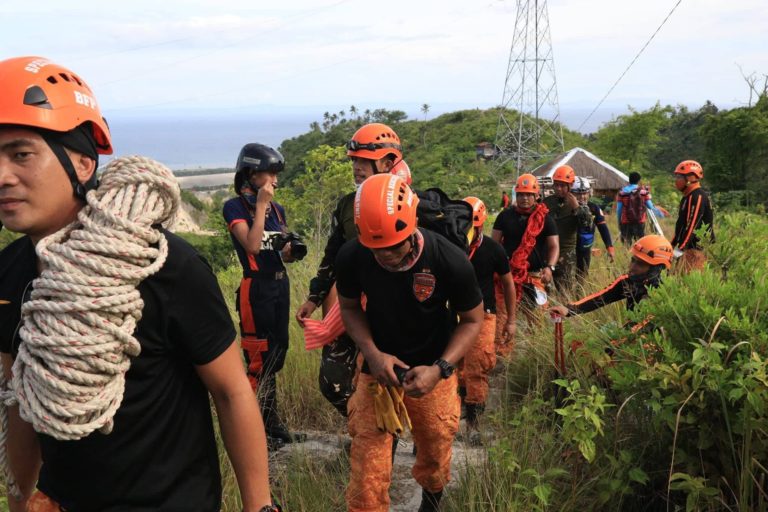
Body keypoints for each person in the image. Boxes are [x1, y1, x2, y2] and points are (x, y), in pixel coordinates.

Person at [0, 56, 276, 512]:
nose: (2, 176)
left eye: (21, 153)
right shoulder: (11, 273)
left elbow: (231, 391)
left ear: (84, 163)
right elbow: (20, 399)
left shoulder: (164, 267)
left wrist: (260, 506)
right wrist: (19, 500)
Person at [336, 173, 483, 512]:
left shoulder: (448, 259)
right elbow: (348, 307)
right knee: (367, 471)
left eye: (393, 247)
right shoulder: (352, 256)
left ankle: (431, 503)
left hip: (433, 369)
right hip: (378, 372)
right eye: (376, 248)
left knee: (434, 449)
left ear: (410, 228)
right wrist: (372, 354)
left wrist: (441, 368)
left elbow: (473, 320)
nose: (385, 256)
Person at [295, 122, 403, 416]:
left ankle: (379, 443)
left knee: (391, 379)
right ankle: (364, 428)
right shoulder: (347, 206)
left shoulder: (408, 202)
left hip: (397, 309)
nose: (356, 166)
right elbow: (333, 255)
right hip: (351, 305)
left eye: (364, 161)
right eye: (354, 160)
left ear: (389, 161)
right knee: (333, 382)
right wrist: (314, 297)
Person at [223, 143, 306, 448]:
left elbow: (276, 250)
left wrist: (289, 251)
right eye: (270, 173)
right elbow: (252, 245)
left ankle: (271, 424)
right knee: (258, 361)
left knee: (276, 356)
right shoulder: (234, 207)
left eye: (276, 174)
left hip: (279, 286)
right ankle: (251, 432)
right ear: (251, 173)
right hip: (256, 288)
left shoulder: (278, 209)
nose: (275, 180)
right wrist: (260, 207)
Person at [461, 197, 515, 440]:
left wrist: (511, 320)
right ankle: (451, 418)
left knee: (478, 366)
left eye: (473, 227)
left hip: (485, 314)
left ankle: (474, 424)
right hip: (453, 313)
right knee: (451, 369)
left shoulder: (493, 249)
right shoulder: (449, 246)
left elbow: (508, 283)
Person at [492, 173, 559, 327]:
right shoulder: (505, 216)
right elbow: (494, 244)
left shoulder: (544, 218)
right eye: (521, 194)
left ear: (536, 195)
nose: (525, 198)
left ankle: (535, 348)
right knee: (503, 316)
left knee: (538, 319)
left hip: (535, 275)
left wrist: (550, 267)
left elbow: (554, 246)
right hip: (508, 275)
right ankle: (504, 348)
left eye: (529, 194)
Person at [550, 234, 672, 317]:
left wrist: (618, 343)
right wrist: (569, 310)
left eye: (640, 264)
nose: (632, 266)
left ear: (655, 269)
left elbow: (645, 324)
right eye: (633, 260)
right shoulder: (628, 281)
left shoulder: (661, 291)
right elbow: (601, 298)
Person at [543, 165, 591, 291]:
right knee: (545, 290)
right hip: (546, 252)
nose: (559, 189)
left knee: (565, 289)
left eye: (563, 186)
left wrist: (576, 208)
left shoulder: (578, 204)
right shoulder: (547, 202)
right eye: (556, 185)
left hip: (567, 254)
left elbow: (587, 224)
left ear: (570, 185)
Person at [670, 160, 714, 273]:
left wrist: (680, 249)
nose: (677, 180)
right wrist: (672, 244)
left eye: (680, 176)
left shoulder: (697, 196)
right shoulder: (687, 197)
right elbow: (681, 224)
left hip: (696, 249)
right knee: (677, 278)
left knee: (688, 282)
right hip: (687, 247)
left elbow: (693, 224)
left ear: (690, 178)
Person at [571, 177, 615, 279]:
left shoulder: (594, 208)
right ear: (571, 194)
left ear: (589, 193)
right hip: (568, 249)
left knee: (582, 276)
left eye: (585, 193)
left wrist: (610, 247)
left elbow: (603, 228)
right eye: (578, 193)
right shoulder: (566, 208)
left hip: (585, 248)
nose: (582, 196)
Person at [616, 171, 665, 245]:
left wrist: (619, 221)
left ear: (629, 180)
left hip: (626, 222)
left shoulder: (622, 193)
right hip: (639, 222)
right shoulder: (643, 192)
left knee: (626, 245)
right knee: (640, 245)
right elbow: (650, 206)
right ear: (638, 181)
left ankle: (626, 256)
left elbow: (619, 210)